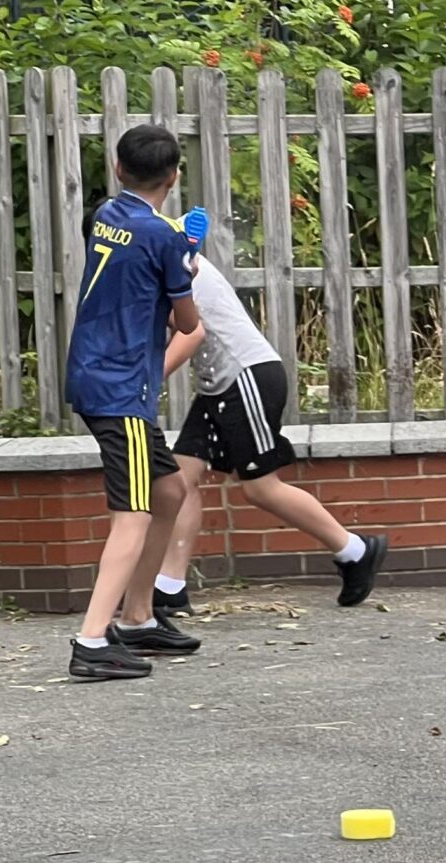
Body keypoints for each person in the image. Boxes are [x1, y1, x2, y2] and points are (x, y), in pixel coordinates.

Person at [151, 253, 387, 611]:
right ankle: (170, 586)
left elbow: (191, 331)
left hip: (246, 377)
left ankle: (355, 551)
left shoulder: (164, 257)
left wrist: (148, 381)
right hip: (220, 384)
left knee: (261, 488)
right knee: (180, 479)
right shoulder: (163, 250)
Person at [64, 123, 204, 682]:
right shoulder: (165, 238)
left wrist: (177, 254)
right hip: (124, 390)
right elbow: (187, 323)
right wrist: (188, 265)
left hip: (94, 375)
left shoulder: (105, 216)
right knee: (134, 515)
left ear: (119, 169)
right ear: (173, 177)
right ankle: (92, 640)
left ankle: (140, 616)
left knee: (169, 490)